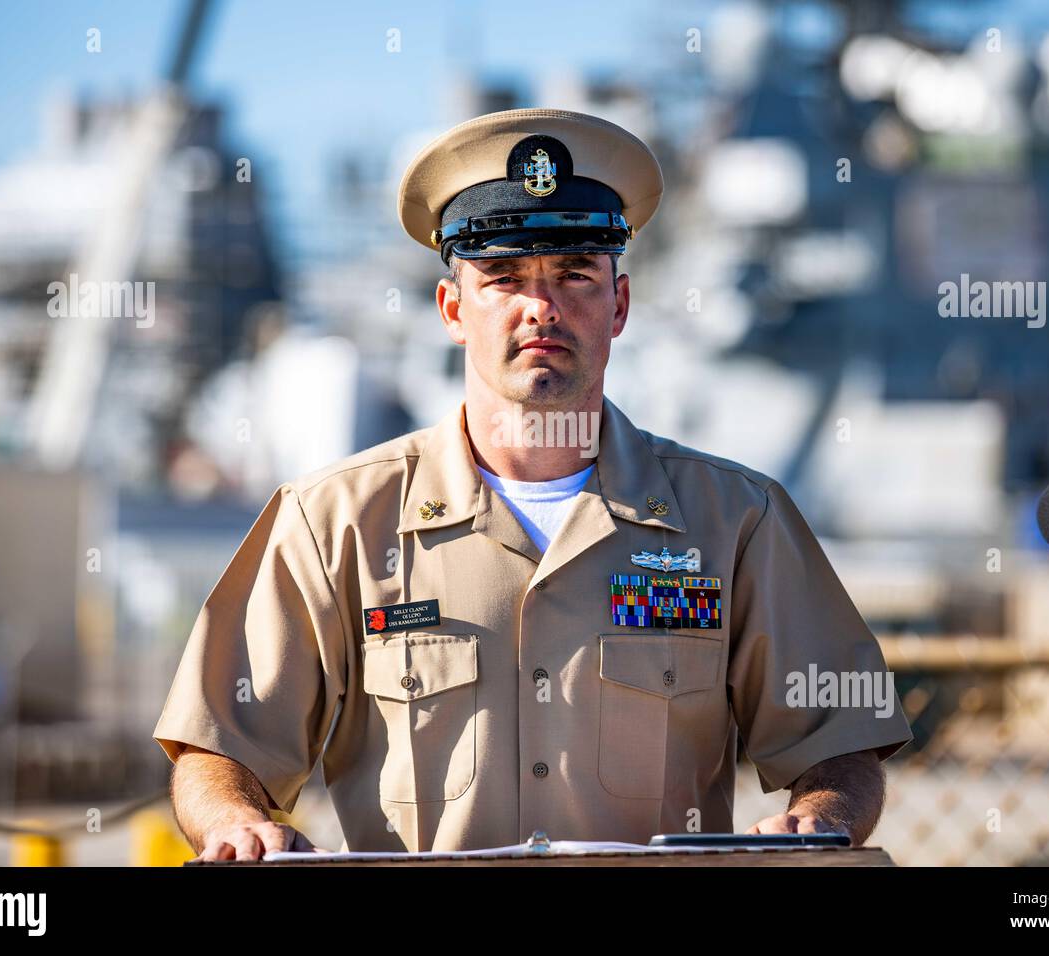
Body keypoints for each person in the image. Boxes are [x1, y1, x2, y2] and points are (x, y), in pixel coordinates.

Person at [154, 108, 913, 861]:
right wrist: (233, 819)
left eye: (576, 274)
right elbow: (221, 747)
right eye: (504, 277)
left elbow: (841, 743)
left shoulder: (737, 523)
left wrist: (819, 814)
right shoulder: (334, 525)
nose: (541, 307)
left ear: (618, 305)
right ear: (454, 309)